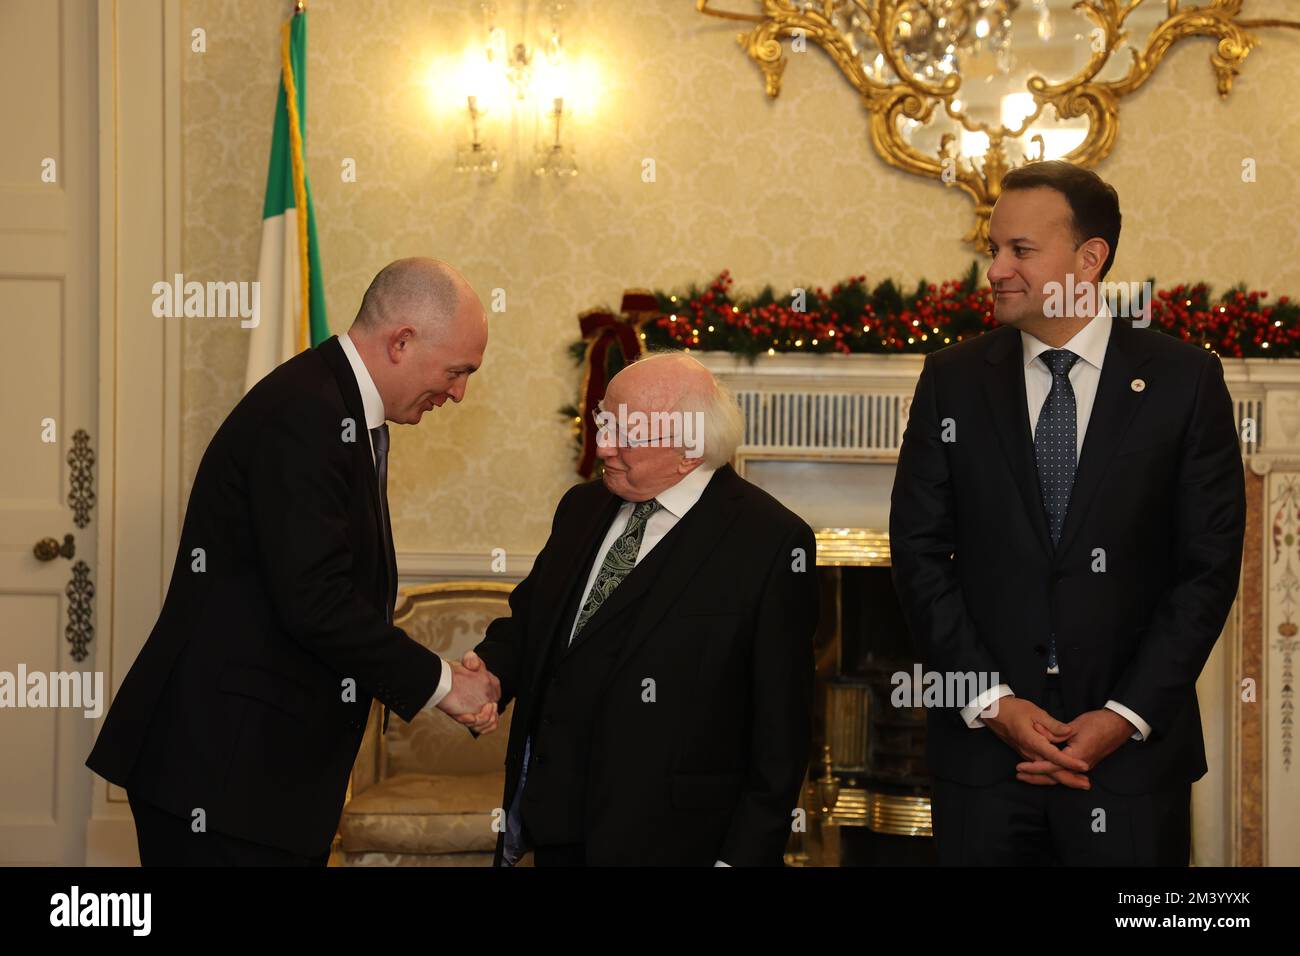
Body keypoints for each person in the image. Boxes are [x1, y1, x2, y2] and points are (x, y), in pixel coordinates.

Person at [889, 161, 1246, 865]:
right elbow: (919, 556)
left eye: (1020, 250)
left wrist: (1121, 717)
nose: (994, 269)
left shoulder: (1185, 381)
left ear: (1089, 259)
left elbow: (1206, 571)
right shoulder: (952, 381)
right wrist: (991, 703)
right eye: (992, 250)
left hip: (1132, 769)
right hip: (983, 770)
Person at [86, 257, 499, 866]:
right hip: (226, 769)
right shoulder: (308, 412)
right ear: (402, 341)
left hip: (254, 772)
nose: (459, 393)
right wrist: (444, 686)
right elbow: (316, 602)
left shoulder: (335, 405)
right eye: (457, 371)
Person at [461, 351, 820, 866]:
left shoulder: (771, 543)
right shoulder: (581, 509)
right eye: (603, 421)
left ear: (690, 448)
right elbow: (533, 623)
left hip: (678, 843)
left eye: (627, 434)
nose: (602, 445)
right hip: (559, 827)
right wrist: (492, 676)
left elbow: (781, 734)